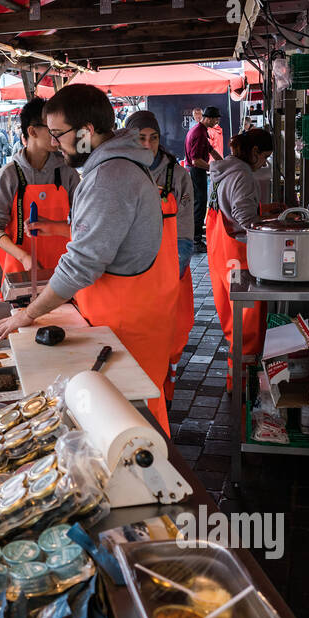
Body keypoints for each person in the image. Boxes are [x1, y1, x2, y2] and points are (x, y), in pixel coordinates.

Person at [0, 83, 178, 434]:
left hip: (129, 326)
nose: (56, 143)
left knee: (131, 425)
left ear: (86, 132)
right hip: (122, 316)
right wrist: (59, 228)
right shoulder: (110, 168)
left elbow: (82, 263)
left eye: (60, 134)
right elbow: (110, 237)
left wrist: (30, 314)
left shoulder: (110, 176)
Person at [126, 110, 195, 401]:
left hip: (170, 270)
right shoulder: (120, 171)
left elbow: (186, 226)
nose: (147, 144)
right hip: (131, 275)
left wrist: (172, 273)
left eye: (153, 138)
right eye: (140, 138)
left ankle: (165, 393)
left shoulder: (176, 174)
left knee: (171, 336)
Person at [0, 96, 79, 295]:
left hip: (65, 272)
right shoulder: (8, 176)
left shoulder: (68, 172)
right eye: (50, 129)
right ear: (32, 131)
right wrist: (24, 257)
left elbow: (82, 221)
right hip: (20, 275)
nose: (56, 135)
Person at [206, 127, 274, 389]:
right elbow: (245, 218)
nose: (264, 163)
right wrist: (269, 225)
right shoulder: (243, 175)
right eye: (264, 156)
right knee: (246, 327)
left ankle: (237, 380)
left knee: (234, 325)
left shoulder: (224, 171)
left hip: (220, 256)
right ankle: (242, 388)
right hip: (239, 258)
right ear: (254, 151)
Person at [185, 106, 222, 250]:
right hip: (196, 170)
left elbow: (211, 150)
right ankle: (196, 241)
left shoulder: (200, 130)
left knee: (200, 203)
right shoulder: (199, 133)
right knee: (200, 205)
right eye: (216, 119)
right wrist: (215, 168)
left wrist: (224, 164)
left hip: (197, 170)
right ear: (209, 118)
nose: (217, 122)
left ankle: (196, 239)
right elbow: (196, 161)